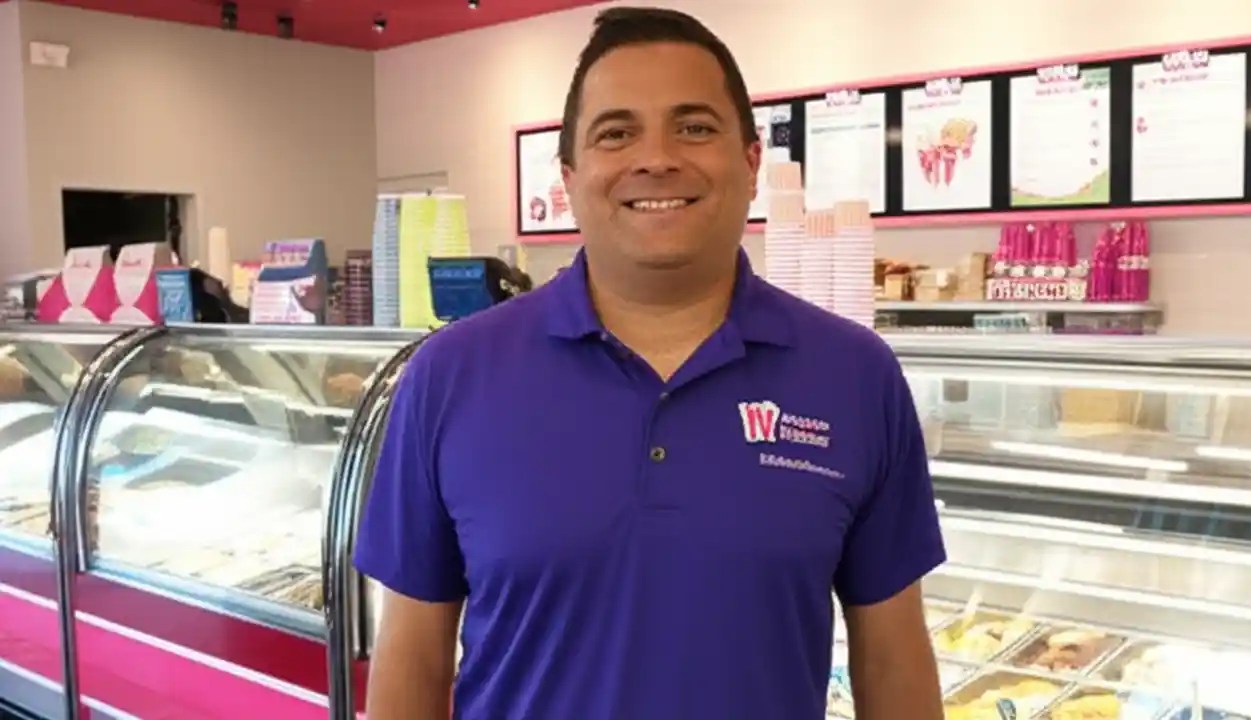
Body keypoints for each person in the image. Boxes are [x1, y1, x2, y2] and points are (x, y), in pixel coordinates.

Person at [354, 7, 946, 720]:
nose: (657, 158)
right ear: (569, 177)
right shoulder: (450, 375)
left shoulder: (854, 375)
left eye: (694, 127)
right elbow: (413, 660)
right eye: (616, 132)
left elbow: (892, 660)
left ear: (751, 163)